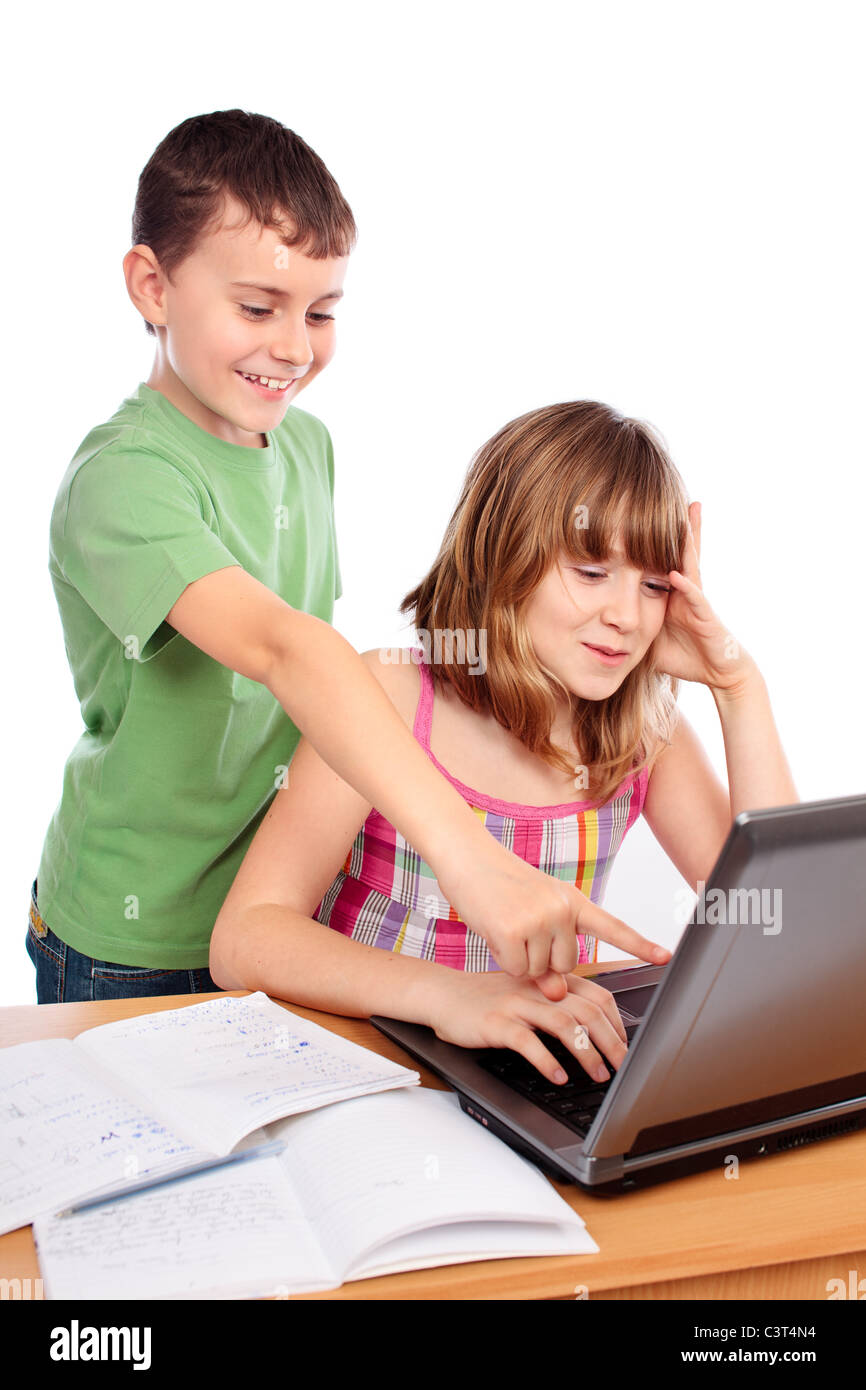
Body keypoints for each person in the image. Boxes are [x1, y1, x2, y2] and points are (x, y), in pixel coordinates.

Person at [28, 112, 669, 1004]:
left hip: (280, 917)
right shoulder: (123, 481)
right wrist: (471, 859)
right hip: (134, 941)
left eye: (321, 313)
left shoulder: (304, 446)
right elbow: (292, 651)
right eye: (257, 307)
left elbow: (315, 693)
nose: (293, 347)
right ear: (151, 285)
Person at [209, 400, 798, 1085]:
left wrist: (736, 685)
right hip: (370, 1068)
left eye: (655, 584)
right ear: (505, 552)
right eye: (591, 571)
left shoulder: (648, 735)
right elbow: (246, 937)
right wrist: (449, 995)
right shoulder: (387, 698)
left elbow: (776, 928)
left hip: (526, 1081)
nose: (626, 615)